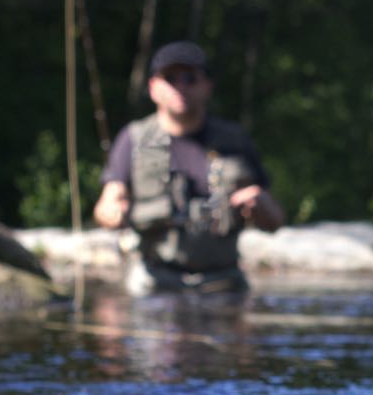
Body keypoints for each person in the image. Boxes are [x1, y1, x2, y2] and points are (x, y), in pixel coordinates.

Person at [93, 40, 284, 294]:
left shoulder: (234, 140)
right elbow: (106, 204)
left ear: (207, 86)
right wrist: (112, 211)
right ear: (153, 88)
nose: (180, 86)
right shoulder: (134, 138)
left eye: (189, 78)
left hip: (223, 283)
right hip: (154, 282)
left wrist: (259, 202)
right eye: (170, 79)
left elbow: (275, 222)